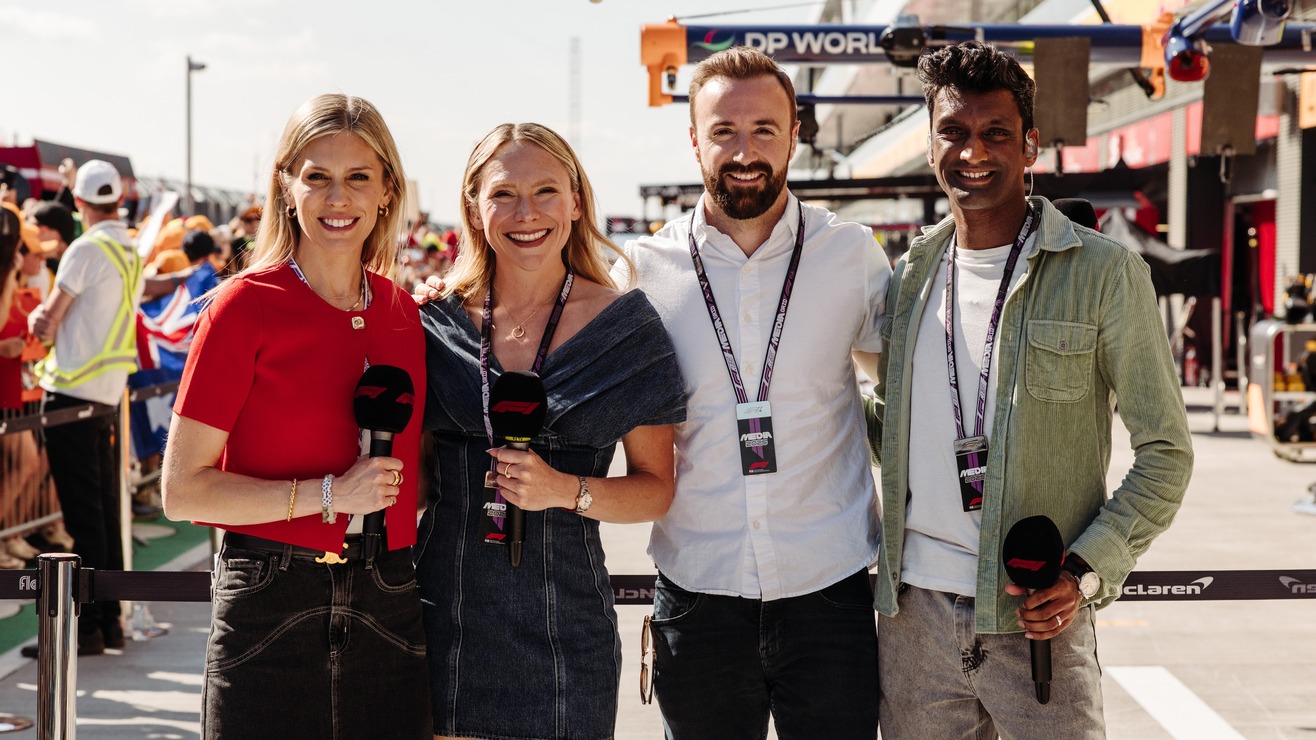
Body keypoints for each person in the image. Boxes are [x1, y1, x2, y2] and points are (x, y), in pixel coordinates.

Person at [866, 41, 1194, 738]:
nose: (971, 151)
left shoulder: (1104, 274)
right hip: (912, 620)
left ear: (1031, 146)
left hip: (1038, 613)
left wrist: (1084, 571)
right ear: (930, 146)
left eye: (995, 133)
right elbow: (893, 426)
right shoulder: (908, 278)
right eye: (952, 132)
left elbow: (1167, 451)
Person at [614, 46, 890, 739]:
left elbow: (916, 392)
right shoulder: (644, 272)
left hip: (829, 593)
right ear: (694, 140)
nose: (745, 151)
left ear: (795, 134)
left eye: (764, 130)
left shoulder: (851, 255)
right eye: (724, 132)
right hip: (697, 597)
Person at [161, 93, 430, 739]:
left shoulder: (406, 313)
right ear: (286, 187)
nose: (339, 198)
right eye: (318, 177)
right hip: (270, 592)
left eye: (358, 178)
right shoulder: (241, 306)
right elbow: (180, 490)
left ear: (387, 191)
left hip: (390, 592)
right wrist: (331, 495)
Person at [415, 122, 685, 740]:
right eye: (503, 194)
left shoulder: (627, 329)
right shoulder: (432, 322)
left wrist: (564, 490)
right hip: (442, 615)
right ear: (474, 209)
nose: (526, 212)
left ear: (576, 203)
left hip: (567, 631)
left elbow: (656, 489)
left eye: (545, 192)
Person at [26, 159, 144, 656]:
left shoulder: (85, 248)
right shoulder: (130, 248)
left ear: (78, 202)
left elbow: (49, 321)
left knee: (83, 518)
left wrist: (35, 321)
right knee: (104, 516)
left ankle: (89, 628)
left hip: (72, 393)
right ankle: (111, 621)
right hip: (107, 396)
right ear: (117, 198)